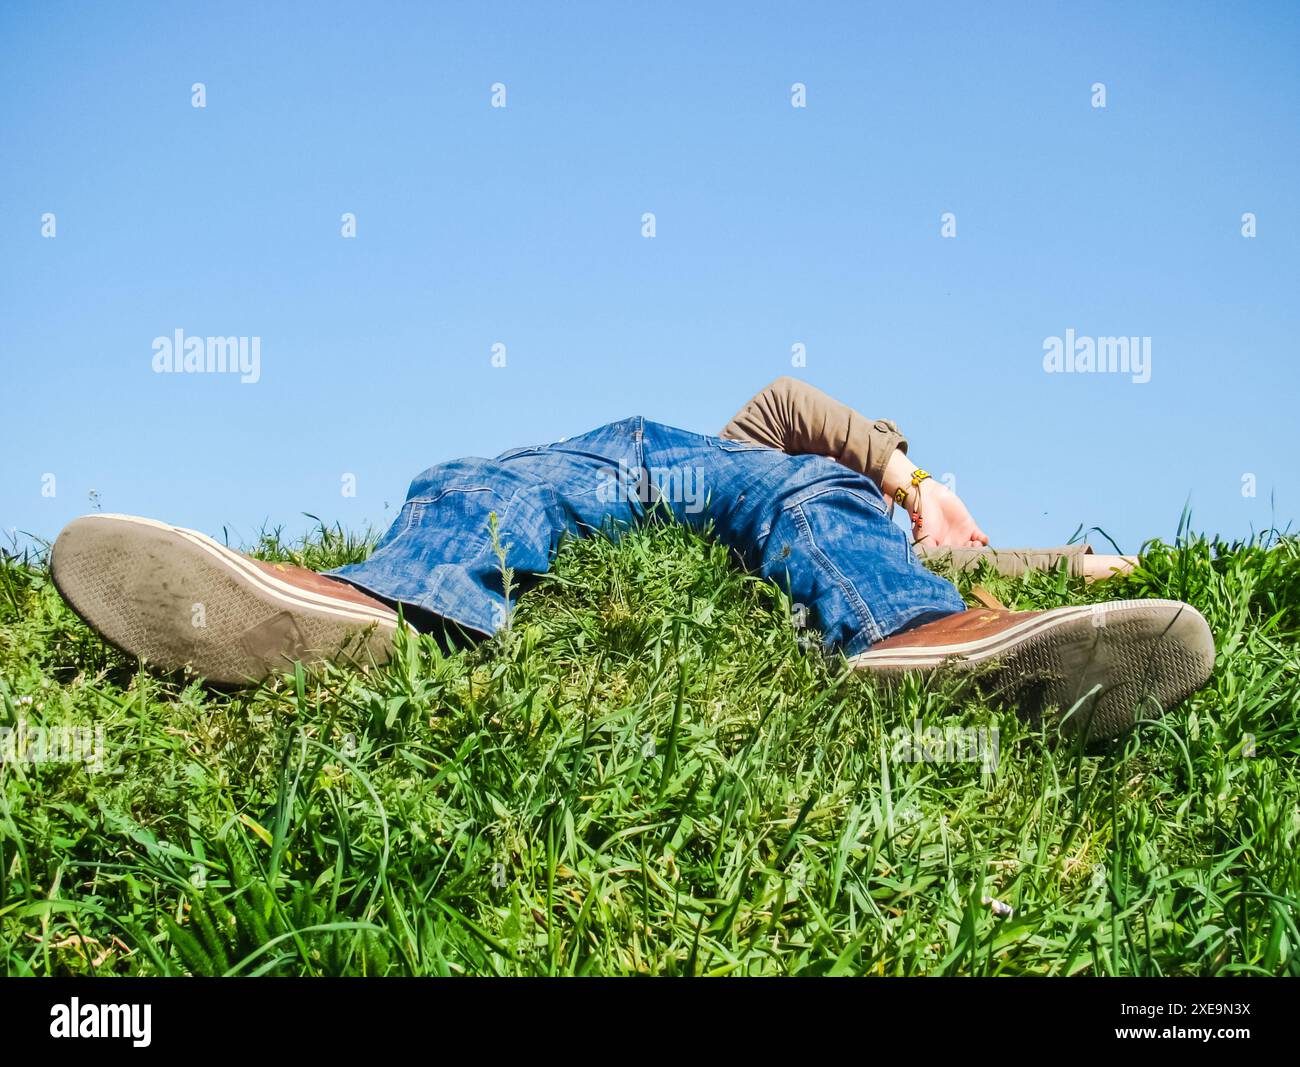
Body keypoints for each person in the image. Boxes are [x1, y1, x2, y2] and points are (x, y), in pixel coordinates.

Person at [49, 377, 1214, 740]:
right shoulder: (829, 458)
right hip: (672, 462)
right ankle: (361, 603)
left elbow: (1042, 571)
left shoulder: (861, 516)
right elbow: (784, 402)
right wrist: (910, 479)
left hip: (802, 519)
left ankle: (922, 639)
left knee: (822, 504)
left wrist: (1059, 572)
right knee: (494, 476)